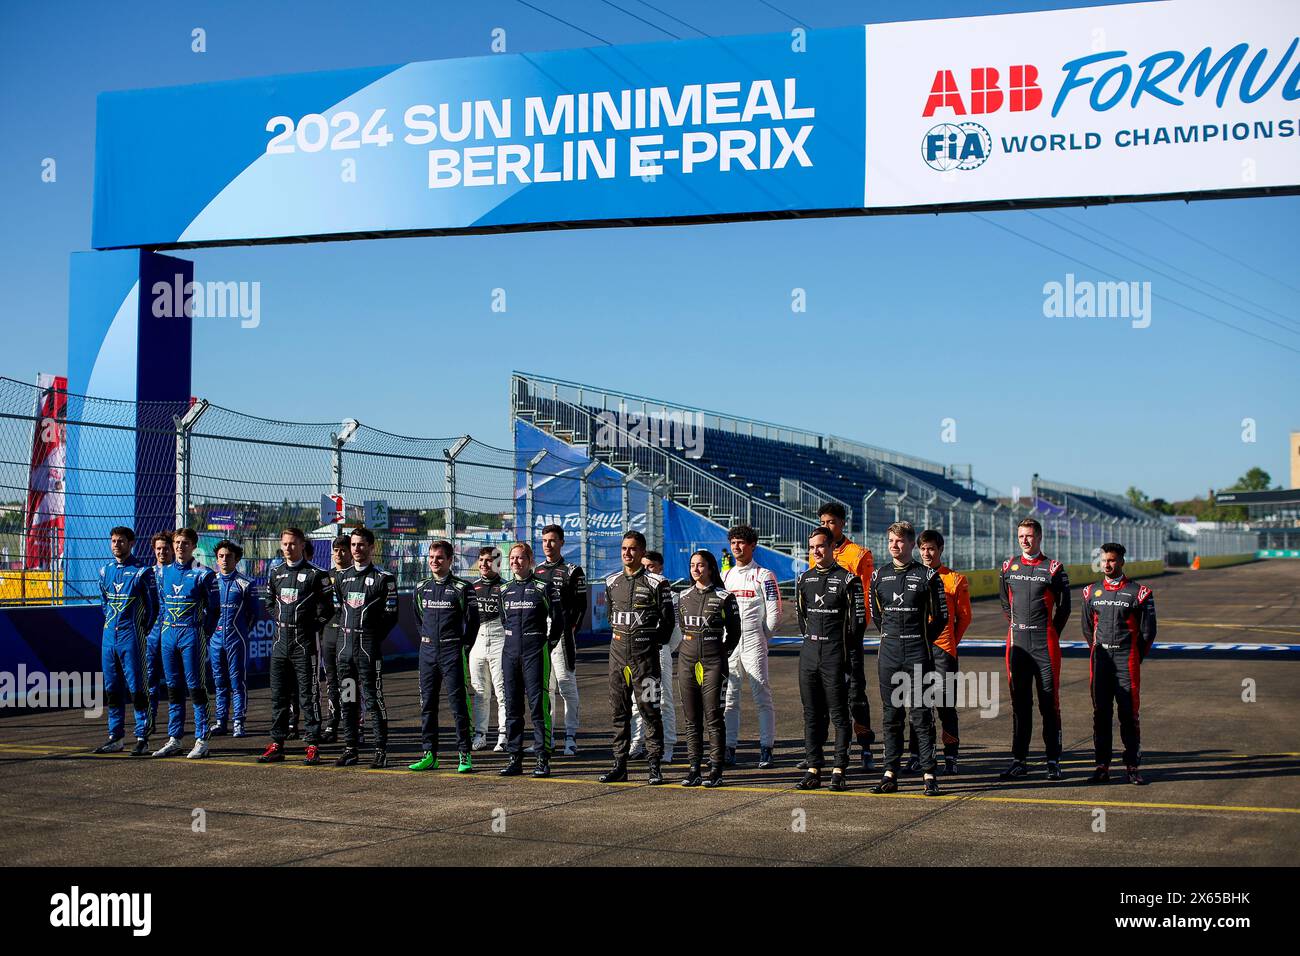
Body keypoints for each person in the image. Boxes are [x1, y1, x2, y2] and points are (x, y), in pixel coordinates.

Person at [869, 522, 947, 796]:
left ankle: (929, 774)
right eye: (891, 540)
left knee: (921, 716)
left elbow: (941, 618)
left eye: (900, 541)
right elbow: (877, 617)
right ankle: (890, 773)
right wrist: (891, 637)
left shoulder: (928, 576)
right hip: (888, 653)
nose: (894, 545)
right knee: (891, 716)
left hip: (917, 653)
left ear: (911, 544)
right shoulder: (878, 576)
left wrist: (921, 639)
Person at [999, 517, 1071, 781]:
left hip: (1045, 645)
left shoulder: (1053, 568)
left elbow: (1064, 609)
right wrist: (1019, 627)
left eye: (1029, 536)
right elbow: (1005, 605)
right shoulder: (1008, 566)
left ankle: (1053, 761)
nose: (1025, 541)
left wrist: (1048, 632)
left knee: (1049, 704)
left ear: (1039, 537)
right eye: (1020, 536)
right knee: (1020, 705)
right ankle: (1019, 760)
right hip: (1016, 643)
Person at [600, 531, 675, 785]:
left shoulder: (657, 583)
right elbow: (612, 618)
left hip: (645, 661)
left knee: (650, 711)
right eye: (624, 548)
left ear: (642, 553)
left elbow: (667, 624)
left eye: (632, 549)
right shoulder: (611, 582)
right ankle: (619, 765)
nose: (627, 553)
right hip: (617, 659)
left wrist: (649, 644)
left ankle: (654, 766)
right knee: (618, 712)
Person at [794, 527, 865, 792]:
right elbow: (802, 619)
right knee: (811, 714)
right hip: (809, 655)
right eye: (812, 547)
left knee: (839, 715)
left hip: (837, 655)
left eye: (821, 546)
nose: (816, 551)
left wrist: (844, 651)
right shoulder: (804, 579)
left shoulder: (849, 580)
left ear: (832, 547)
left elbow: (857, 624)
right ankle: (814, 769)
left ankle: (839, 770)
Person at [1082, 543, 1157, 786]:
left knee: (1128, 714)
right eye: (1104, 560)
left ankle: (1132, 766)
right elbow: (1086, 628)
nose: (1107, 564)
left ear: (1122, 561)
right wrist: (1099, 652)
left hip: (1127, 660)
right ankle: (1101, 766)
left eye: (1112, 560)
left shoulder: (1140, 592)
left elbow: (1148, 632)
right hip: (1101, 661)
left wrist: (1134, 656)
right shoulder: (1091, 591)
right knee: (1100, 715)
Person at [259, 527, 333, 766]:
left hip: (305, 644)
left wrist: (309, 626)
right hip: (280, 643)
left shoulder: (317, 575)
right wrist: (282, 620)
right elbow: (270, 602)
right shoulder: (276, 573)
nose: (288, 548)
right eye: (285, 544)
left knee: (307, 695)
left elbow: (328, 610)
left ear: (302, 545)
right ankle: (277, 744)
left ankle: (312, 744)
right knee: (279, 696)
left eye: (293, 544)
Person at [410, 540, 480, 774]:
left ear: (450, 560)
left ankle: (464, 753)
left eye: (439, 557)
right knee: (427, 705)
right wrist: (427, 640)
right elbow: (419, 619)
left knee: (458, 704)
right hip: (427, 652)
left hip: (452, 652)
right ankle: (429, 754)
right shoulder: (421, 587)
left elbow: (473, 623)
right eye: (431, 557)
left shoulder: (462, 588)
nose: (434, 561)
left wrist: (463, 646)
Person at [908, 529, 972, 775]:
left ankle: (951, 757)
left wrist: (950, 642)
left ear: (940, 550)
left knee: (945, 706)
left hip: (944, 650)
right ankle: (916, 755)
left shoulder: (955, 579)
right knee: (917, 706)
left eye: (931, 548)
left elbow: (964, 618)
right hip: (917, 648)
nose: (926, 553)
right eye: (923, 548)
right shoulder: (913, 575)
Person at [498, 542, 563, 778]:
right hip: (510, 654)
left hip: (536, 653)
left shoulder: (543, 587)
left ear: (530, 560)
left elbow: (557, 622)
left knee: (538, 707)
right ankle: (514, 758)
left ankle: (542, 758)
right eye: (512, 558)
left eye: (520, 558)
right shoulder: (504, 590)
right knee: (512, 707)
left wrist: (546, 644)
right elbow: (505, 621)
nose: (516, 562)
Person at [335, 527, 398, 768]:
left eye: (361, 545)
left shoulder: (384, 579)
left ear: (372, 547)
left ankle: (380, 750)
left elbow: (391, 616)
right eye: (353, 545)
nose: (357, 549)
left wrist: (370, 638)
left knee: (373, 700)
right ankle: (350, 748)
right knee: (348, 699)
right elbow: (338, 610)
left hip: (368, 652)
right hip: (345, 652)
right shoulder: (342, 577)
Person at [677, 550, 741, 788]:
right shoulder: (682, 597)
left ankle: (716, 770)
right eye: (693, 565)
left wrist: (721, 653)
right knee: (691, 719)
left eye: (701, 565)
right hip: (687, 662)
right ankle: (694, 768)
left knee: (713, 716)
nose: (696, 569)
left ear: (711, 568)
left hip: (714, 662)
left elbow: (735, 633)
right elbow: (681, 629)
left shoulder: (725, 597)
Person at [154, 528, 219, 758]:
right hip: (168, 635)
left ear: (193, 546)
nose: (180, 546)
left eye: (185, 543)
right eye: (177, 542)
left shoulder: (204, 574)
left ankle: (202, 739)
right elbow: (161, 605)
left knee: (196, 688)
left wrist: (204, 633)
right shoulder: (162, 572)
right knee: (173, 688)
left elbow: (214, 609)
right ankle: (175, 738)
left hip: (192, 635)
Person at [93, 526, 158, 756]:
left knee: (137, 688)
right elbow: (104, 602)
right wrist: (112, 622)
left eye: (121, 541)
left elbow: (153, 607)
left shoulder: (142, 571)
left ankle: (143, 737)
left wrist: (142, 628)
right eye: (113, 541)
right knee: (111, 689)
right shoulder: (104, 571)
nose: (116, 545)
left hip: (132, 636)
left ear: (132, 543)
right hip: (109, 636)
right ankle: (116, 737)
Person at [723, 525, 779, 769]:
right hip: (730, 643)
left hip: (754, 641)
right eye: (734, 542)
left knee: (761, 696)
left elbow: (775, 614)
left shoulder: (764, 575)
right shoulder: (726, 576)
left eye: (742, 542)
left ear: (753, 545)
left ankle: (766, 748)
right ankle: (729, 747)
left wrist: (761, 637)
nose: (737, 547)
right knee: (729, 698)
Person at [535, 524, 586, 757]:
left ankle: (571, 738)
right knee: (546, 689)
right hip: (540, 636)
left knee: (567, 687)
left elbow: (581, 608)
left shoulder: (573, 571)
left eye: (553, 540)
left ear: (562, 542)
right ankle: (548, 738)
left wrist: (569, 633)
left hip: (563, 636)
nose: (548, 544)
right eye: (545, 540)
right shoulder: (537, 571)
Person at [631, 550, 681, 763]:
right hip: (638, 653)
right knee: (637, 700)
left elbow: (676, 631)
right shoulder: (635, 590)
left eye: (650, 566)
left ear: (660, 568)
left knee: (664, 701)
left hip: (660, 652)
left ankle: (667, 747)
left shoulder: (670, 592)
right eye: (644, 566)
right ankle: (637, 743)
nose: (646, 570)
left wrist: (664, 649)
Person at [209, 539, 255, 739]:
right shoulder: (210, 582)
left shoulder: (245, 583)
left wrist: (241, 632)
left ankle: (238, 722)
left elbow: (253, 614)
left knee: (237, 682)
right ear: (217, 559)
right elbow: (207, 613)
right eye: (221, 556)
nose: (224, 559)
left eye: (228, 556)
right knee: (219, 682)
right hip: (215, 640)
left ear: (236, 559)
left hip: (237, 639)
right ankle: (220, 721)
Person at [469, 546, 509, 751]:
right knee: (479, 691)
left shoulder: (505, 587)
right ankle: (480, 734)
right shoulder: (471, 587)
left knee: (502, 691)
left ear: (498, 563)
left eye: (489, 560)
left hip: (499, 640)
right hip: (477, 641)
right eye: (481, 560)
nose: (484, 564)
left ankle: (504, 735)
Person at [318, 534, 352, 744]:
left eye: (343, 550)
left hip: (350, 634)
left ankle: (354, 723)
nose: (339, 554)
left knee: (349, 682)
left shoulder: (356, 575)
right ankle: (332, 723)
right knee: (331, 681)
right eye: (336, 550)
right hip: (329, 633)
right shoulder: (325, 576)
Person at [143, 531, 173, 743]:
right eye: (158, 548)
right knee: (150, 679)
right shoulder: (148, 573)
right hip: (153, 633)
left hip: (175, 632)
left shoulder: (182, 572)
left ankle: (175, 728)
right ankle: (148, 721)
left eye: (165, 548)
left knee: (176, 682)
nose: (162, 552)